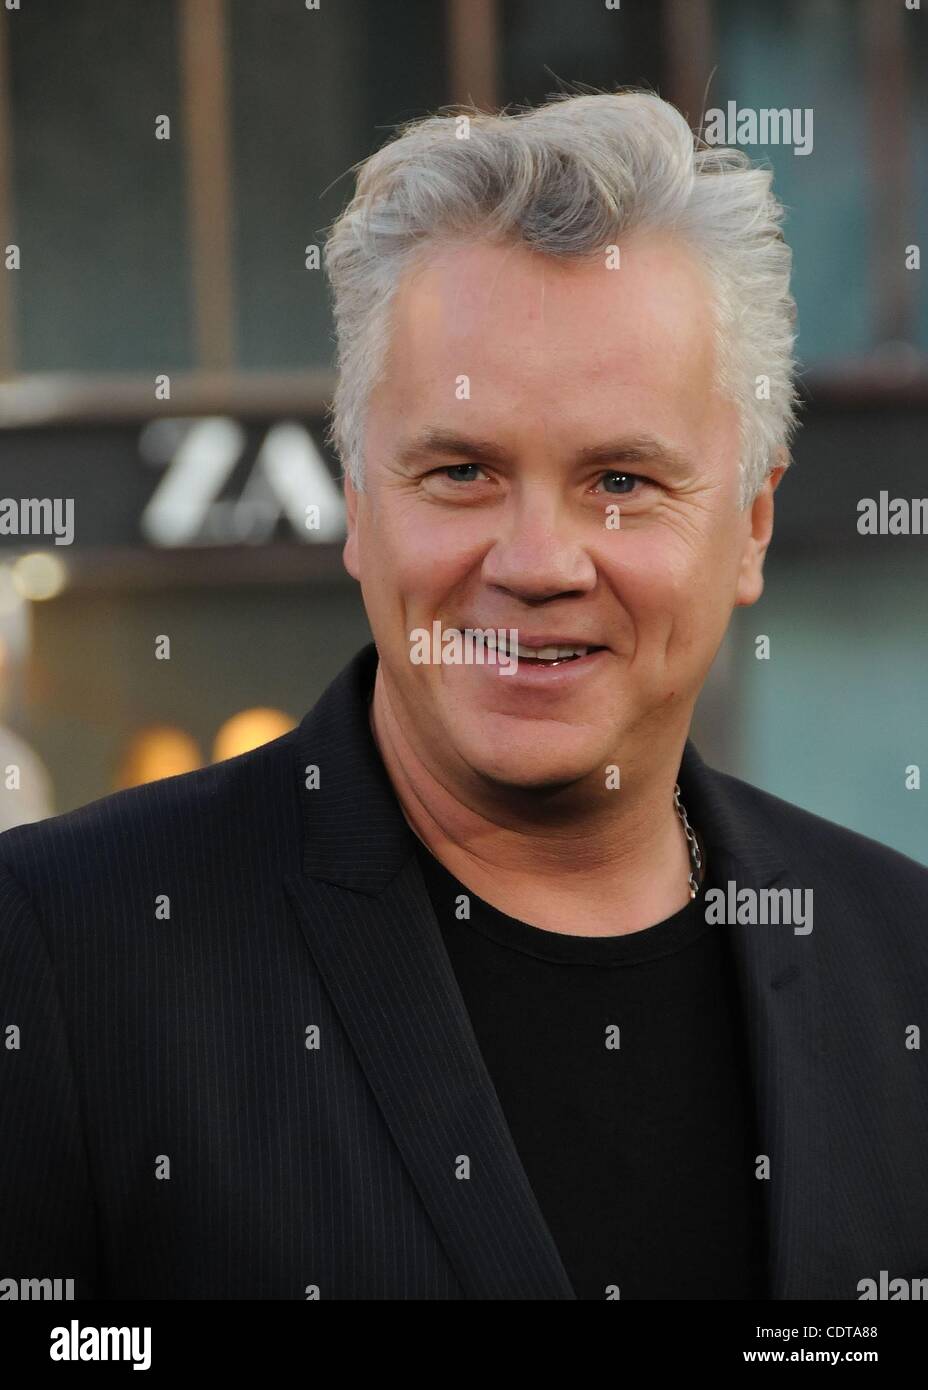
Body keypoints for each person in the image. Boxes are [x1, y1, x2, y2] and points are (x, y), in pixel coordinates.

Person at [1, 91, 926, 1301]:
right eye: (460, 471)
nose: (537, 561)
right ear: (357, 501)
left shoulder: (901, 964)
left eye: (620, 479)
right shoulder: (64, 956)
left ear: (749, 525)